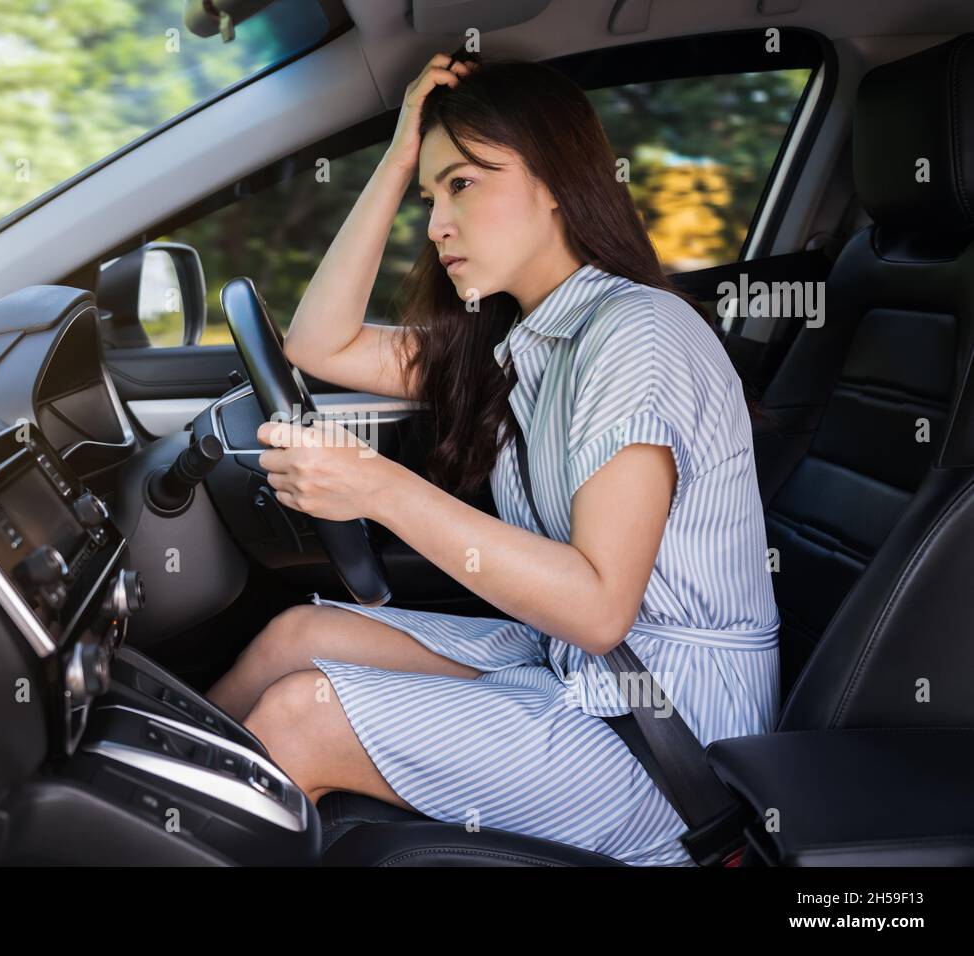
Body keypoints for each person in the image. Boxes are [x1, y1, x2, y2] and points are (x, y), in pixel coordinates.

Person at [204, 50, 779, 866]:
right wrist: (403, 153)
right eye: (430, 194)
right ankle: (120, 807)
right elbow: (315, 342)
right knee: (297, 636)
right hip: (573, 668)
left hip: (669, 736)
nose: (436, 223)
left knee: (307, 714)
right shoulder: (519, 341)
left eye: (464, 184)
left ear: (555, 182)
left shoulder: (640, 335)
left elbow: (596, 608)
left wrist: (377, 485)